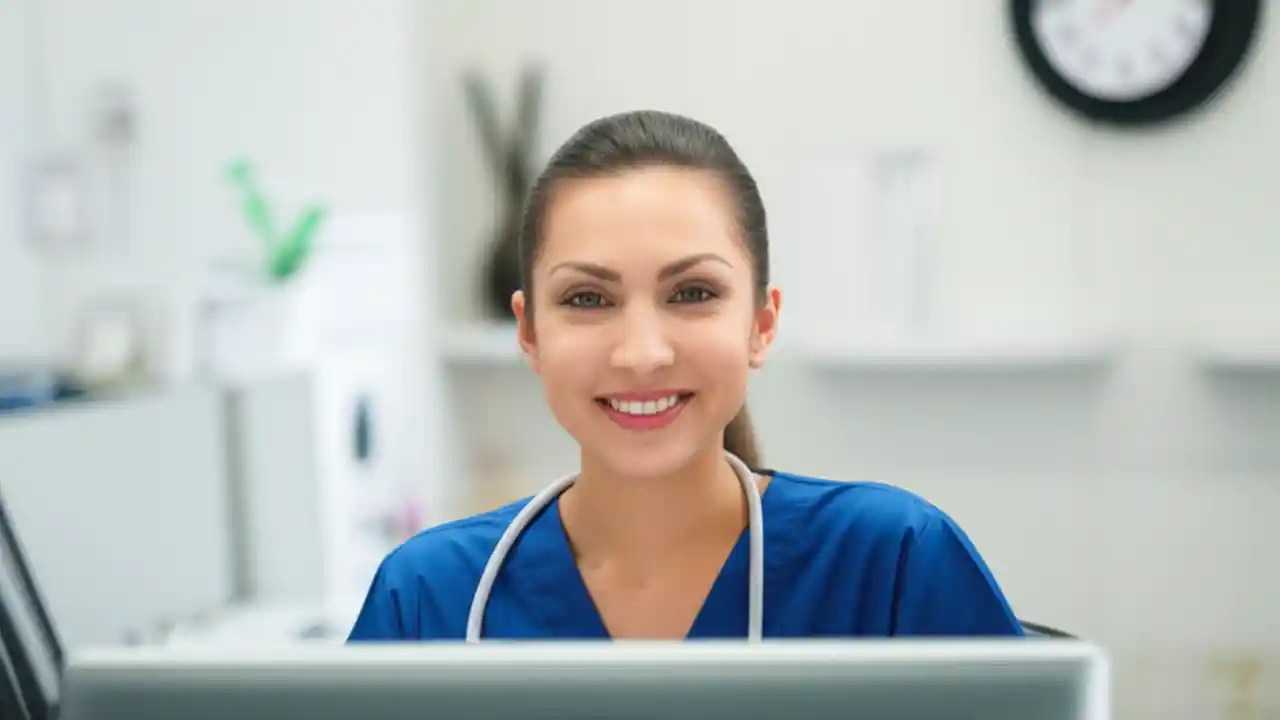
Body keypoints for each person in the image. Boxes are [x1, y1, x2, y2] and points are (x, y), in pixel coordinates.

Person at [349, 110, 1023, 641]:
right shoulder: (430, 600)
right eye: (588, 298)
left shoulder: (893, 563)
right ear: (529, 333)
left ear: (761, 323)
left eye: (692, 293)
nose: (642, 353)